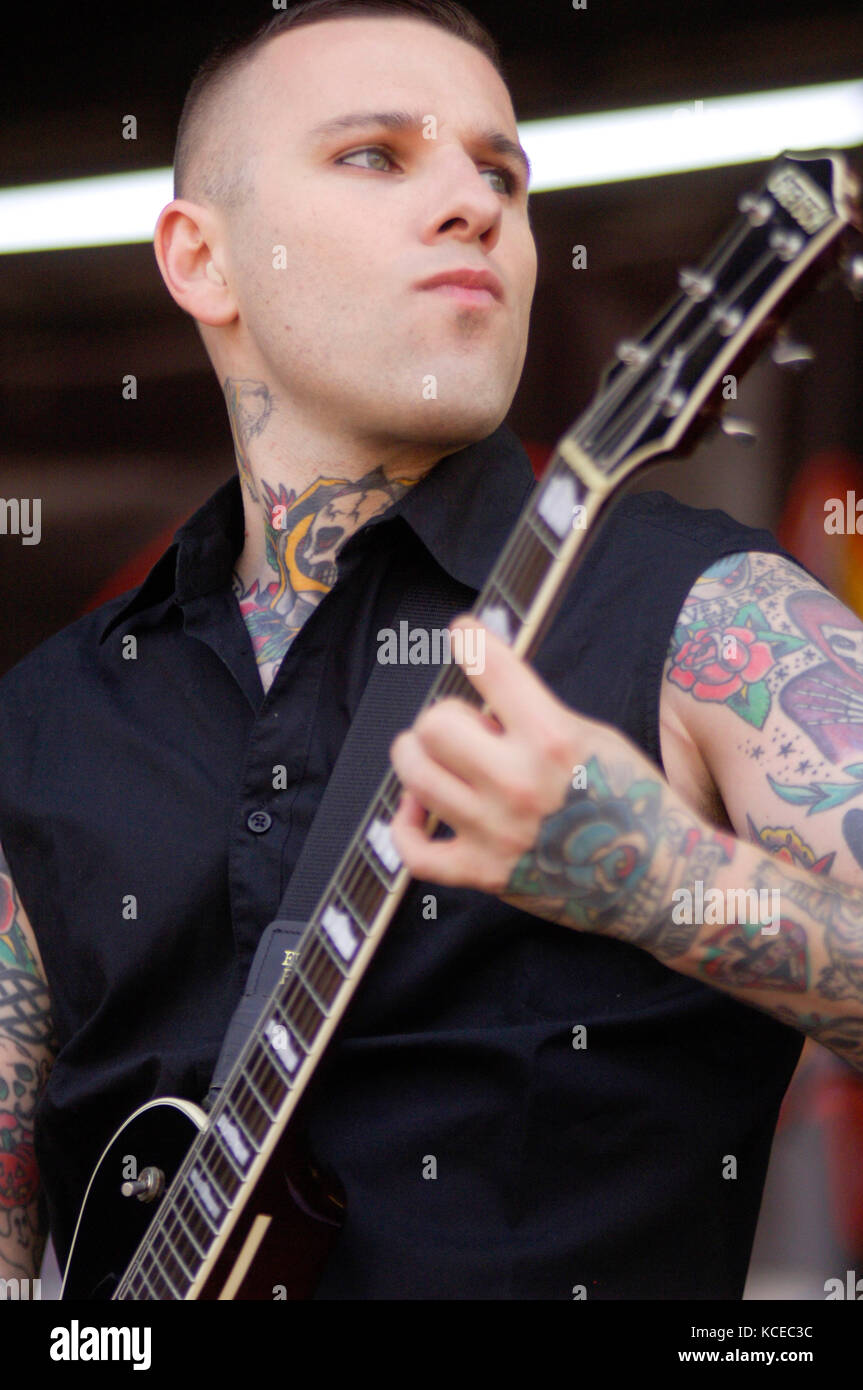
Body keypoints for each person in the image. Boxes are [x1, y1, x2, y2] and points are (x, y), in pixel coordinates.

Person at [1, 0, 862, 1300]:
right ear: (202, 259)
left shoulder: (710, 617)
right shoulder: (49, 722)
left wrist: (663, 878)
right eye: (375, 155)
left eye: (501, 171)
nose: (474, 202)